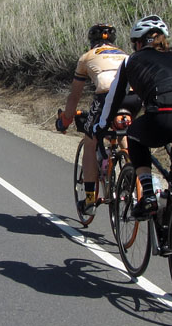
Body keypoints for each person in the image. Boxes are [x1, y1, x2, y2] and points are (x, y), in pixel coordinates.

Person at [96, 15, 172, 223]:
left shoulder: (131, 60)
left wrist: (102, 125)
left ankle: (148, 195)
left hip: (166, 115)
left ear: (138, 43)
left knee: (133, 135)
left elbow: (114, 98)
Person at [56, 24, 134, 215]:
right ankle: (132, 182)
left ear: (91, 41)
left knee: (90, 141)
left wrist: (65, 120)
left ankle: (90, 201)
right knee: (123, 131)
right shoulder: (125, 55)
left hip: (107, 96)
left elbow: (74, 96)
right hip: (133, 98)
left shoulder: (87, 57)